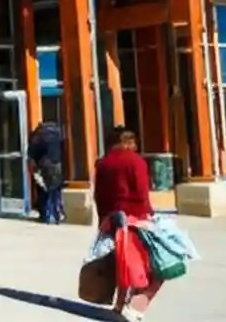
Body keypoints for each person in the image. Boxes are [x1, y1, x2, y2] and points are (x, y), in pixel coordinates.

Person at [92, 126, 163, 322]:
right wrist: (150, 219)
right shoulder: (136, 161)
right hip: (136, 220)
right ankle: (136, 307)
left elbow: (98, 196)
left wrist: (103, 222)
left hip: (113, 221)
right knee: (160, 265)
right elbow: (142, 194)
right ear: (129, 142)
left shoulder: (103, 163)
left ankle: (119, 305)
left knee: (124, 264)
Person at [27, 121, 64, 224]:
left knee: (43, 192)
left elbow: (31, 155)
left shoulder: (36, 136)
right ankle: (57, 215)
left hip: (43, 166)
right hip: (56, 165)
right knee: (56, 192)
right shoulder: (57, 135)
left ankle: (46, 216)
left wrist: (33, 170)